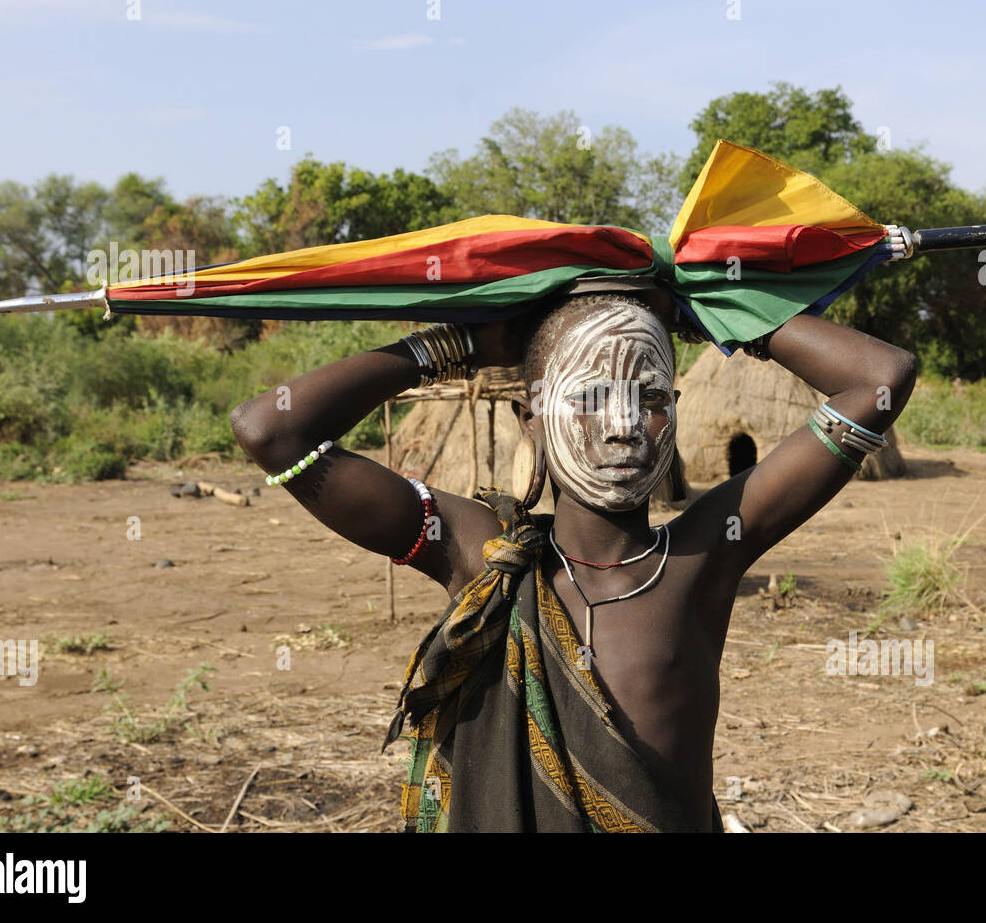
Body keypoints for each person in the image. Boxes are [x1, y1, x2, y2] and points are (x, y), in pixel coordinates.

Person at [230, 279, 916, 832]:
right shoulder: (481, 554)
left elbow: (880, 376)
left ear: (675, 412)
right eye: (590, 397)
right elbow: (270, 429)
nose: (621, 424)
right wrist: (456, 344)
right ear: (532, 415)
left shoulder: (707, 553)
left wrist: (714, 304)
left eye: (648, 398)